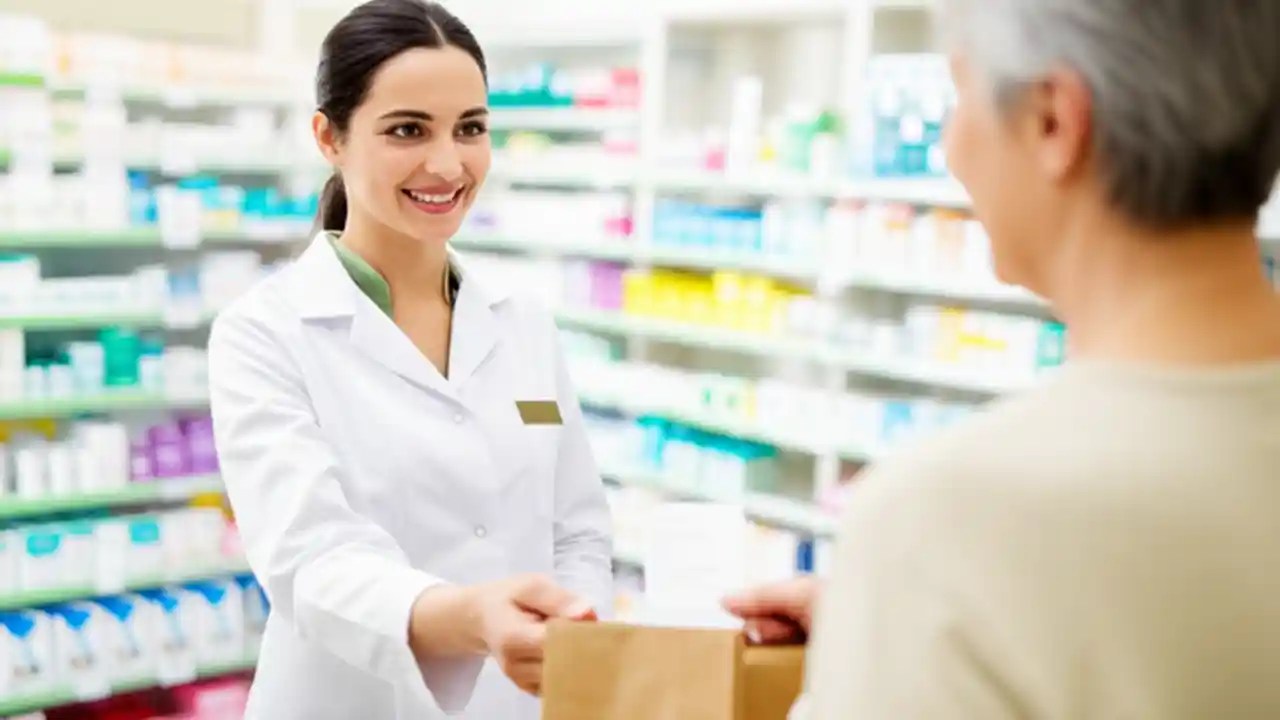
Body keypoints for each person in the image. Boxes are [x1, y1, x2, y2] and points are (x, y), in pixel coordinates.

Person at [727, 1, 1280, 717]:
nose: (952, 150)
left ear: (1053, 120)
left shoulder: (939, 520)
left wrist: (909, 627)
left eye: (960, 96)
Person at [206, 1, 612, 718]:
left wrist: (577, 640)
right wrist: (469, 617)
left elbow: (577, 527)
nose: (448, 163)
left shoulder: (523, 323)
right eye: (407, 130)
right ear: (328, 137)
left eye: (471, 129)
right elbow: (312, 560)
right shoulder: (265, 334)